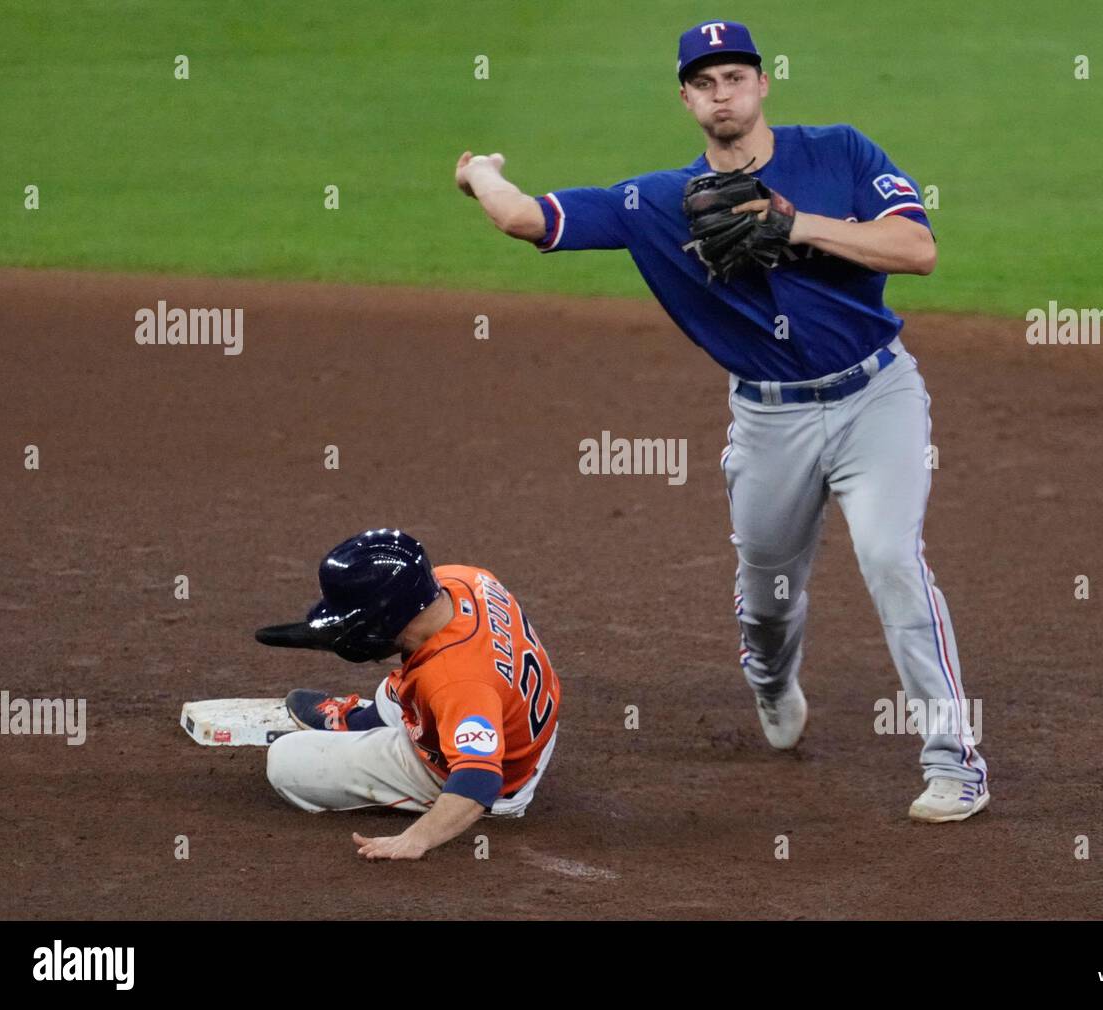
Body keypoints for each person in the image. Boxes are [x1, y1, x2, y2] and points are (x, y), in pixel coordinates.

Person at [453, 19, 988, 822]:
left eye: (734, 77)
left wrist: (790, 223)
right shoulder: (657, 203)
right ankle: (771, 678)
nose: (721, 94)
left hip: (877, 396)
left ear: (763, 83)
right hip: (770, 422)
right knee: (769, 598)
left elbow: (917, 250)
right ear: (685, 98)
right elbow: (528, 219)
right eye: (704, 83)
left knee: (892, 560)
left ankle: (955, 761)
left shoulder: (839, 151)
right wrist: (481, 175)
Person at [257, 528, 562, 859]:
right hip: (515, 714)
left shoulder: (456, 683)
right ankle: (363, 721)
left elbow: (480, 780)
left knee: (286, 761)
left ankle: (463, 792)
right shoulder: (465, 579)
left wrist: (417, 838)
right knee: (410, 674)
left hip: (499, 775)